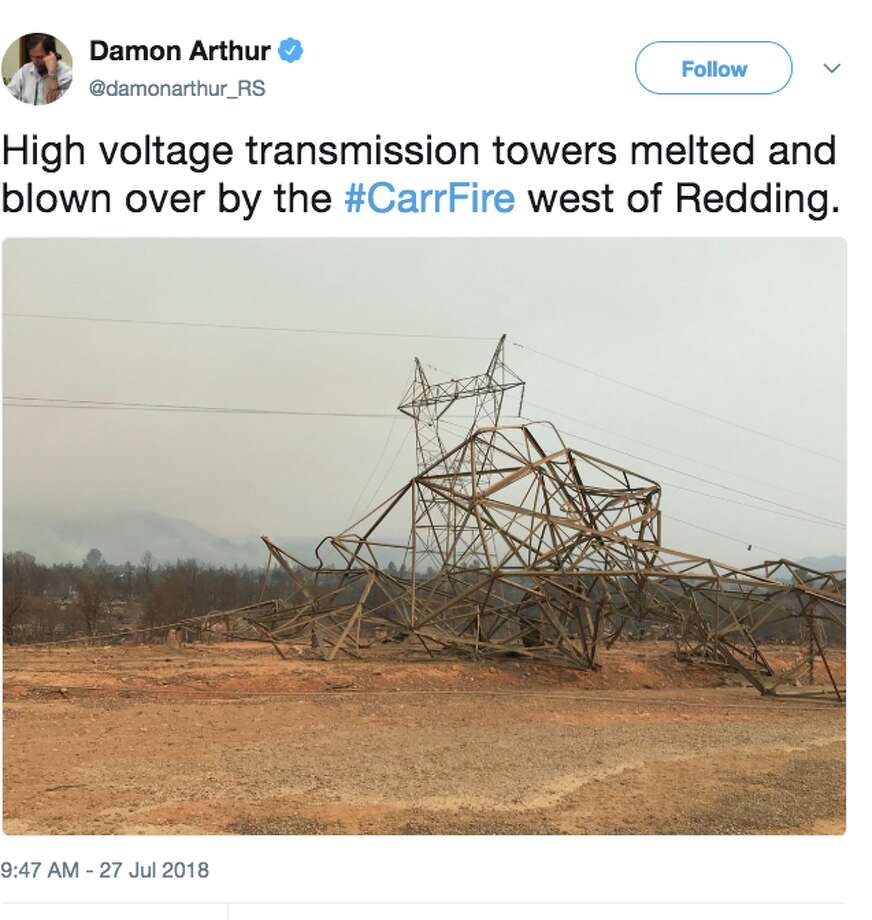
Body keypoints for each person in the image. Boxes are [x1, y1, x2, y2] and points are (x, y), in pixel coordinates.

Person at [6, 34, 72, 105]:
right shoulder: (25, 70)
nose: (34, 61)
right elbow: (11, 92)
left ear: (52, 55)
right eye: (32, 56)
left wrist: (52, 74)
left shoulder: (66, 74)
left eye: (39, 57)